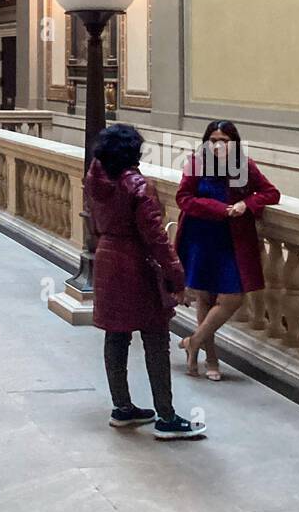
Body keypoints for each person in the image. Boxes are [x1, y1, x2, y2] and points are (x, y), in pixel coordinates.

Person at [86, 124, 205, 441]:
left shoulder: (95, 178)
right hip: (136, 265)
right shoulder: (138, 186)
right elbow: (156, 240)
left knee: (116, 336)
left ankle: (122, 408)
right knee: (155, 339)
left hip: (107, 259)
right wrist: (178, 279)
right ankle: (166, 416)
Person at [176, 120, 280, 380]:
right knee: (205, 298)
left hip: (233, 241)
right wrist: (219, 209)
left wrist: (247, 203)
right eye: (213, 140)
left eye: (224, 140)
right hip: (201, 237)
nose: (219, 145)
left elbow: (271, 193)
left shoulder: (244, 165)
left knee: (232, 297)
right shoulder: (196, 163)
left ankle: (193, 341)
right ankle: (211, 360)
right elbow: (184, 198)